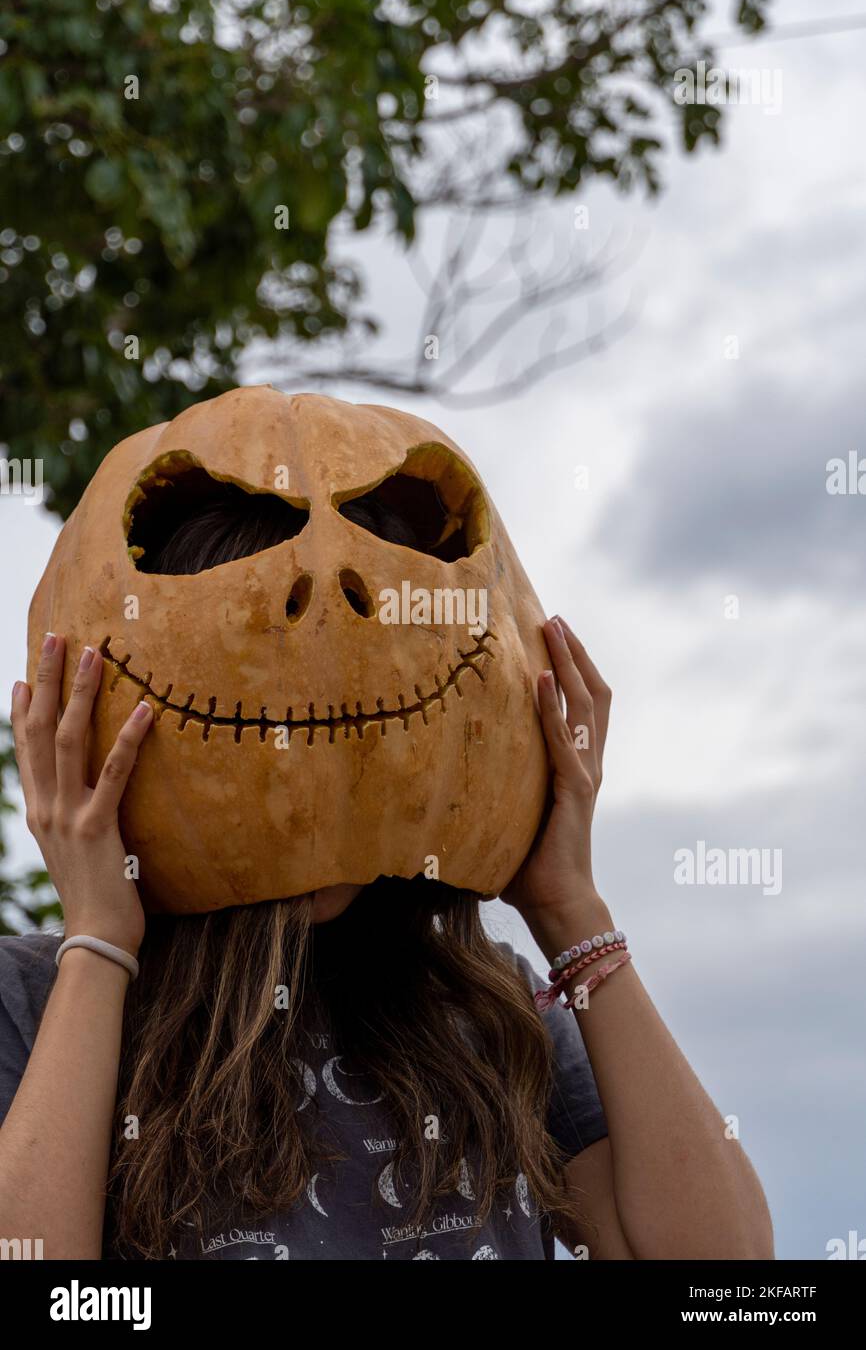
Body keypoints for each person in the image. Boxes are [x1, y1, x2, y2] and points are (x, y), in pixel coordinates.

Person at [0, 492, 774, 1260]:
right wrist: (99, 942)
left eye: (356, 724)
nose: (317, 774)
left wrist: (571, 910)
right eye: (265, 724)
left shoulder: (485, 1009)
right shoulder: (36, 1004)